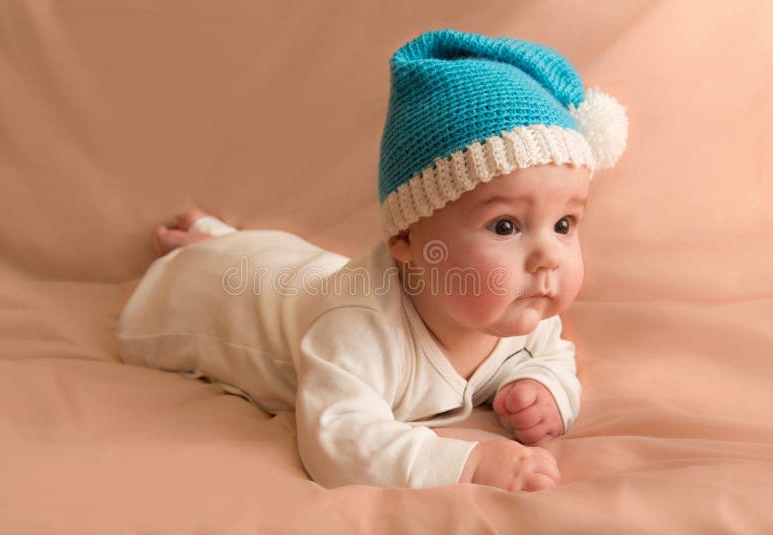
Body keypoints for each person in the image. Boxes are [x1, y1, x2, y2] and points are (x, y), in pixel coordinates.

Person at [116, 28, 628, 492]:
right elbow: (339, 439)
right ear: (406, 238)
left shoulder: (524, 307)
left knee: (299, 260)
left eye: (564, 225)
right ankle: (202, 249)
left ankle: (214, 234)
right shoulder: (359, 331)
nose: (548, 257)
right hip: (238, 298)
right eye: (505, 226)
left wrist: (546, 389)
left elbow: (555, 354)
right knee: (240, 270)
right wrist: (467, 463)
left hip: (311, 270)